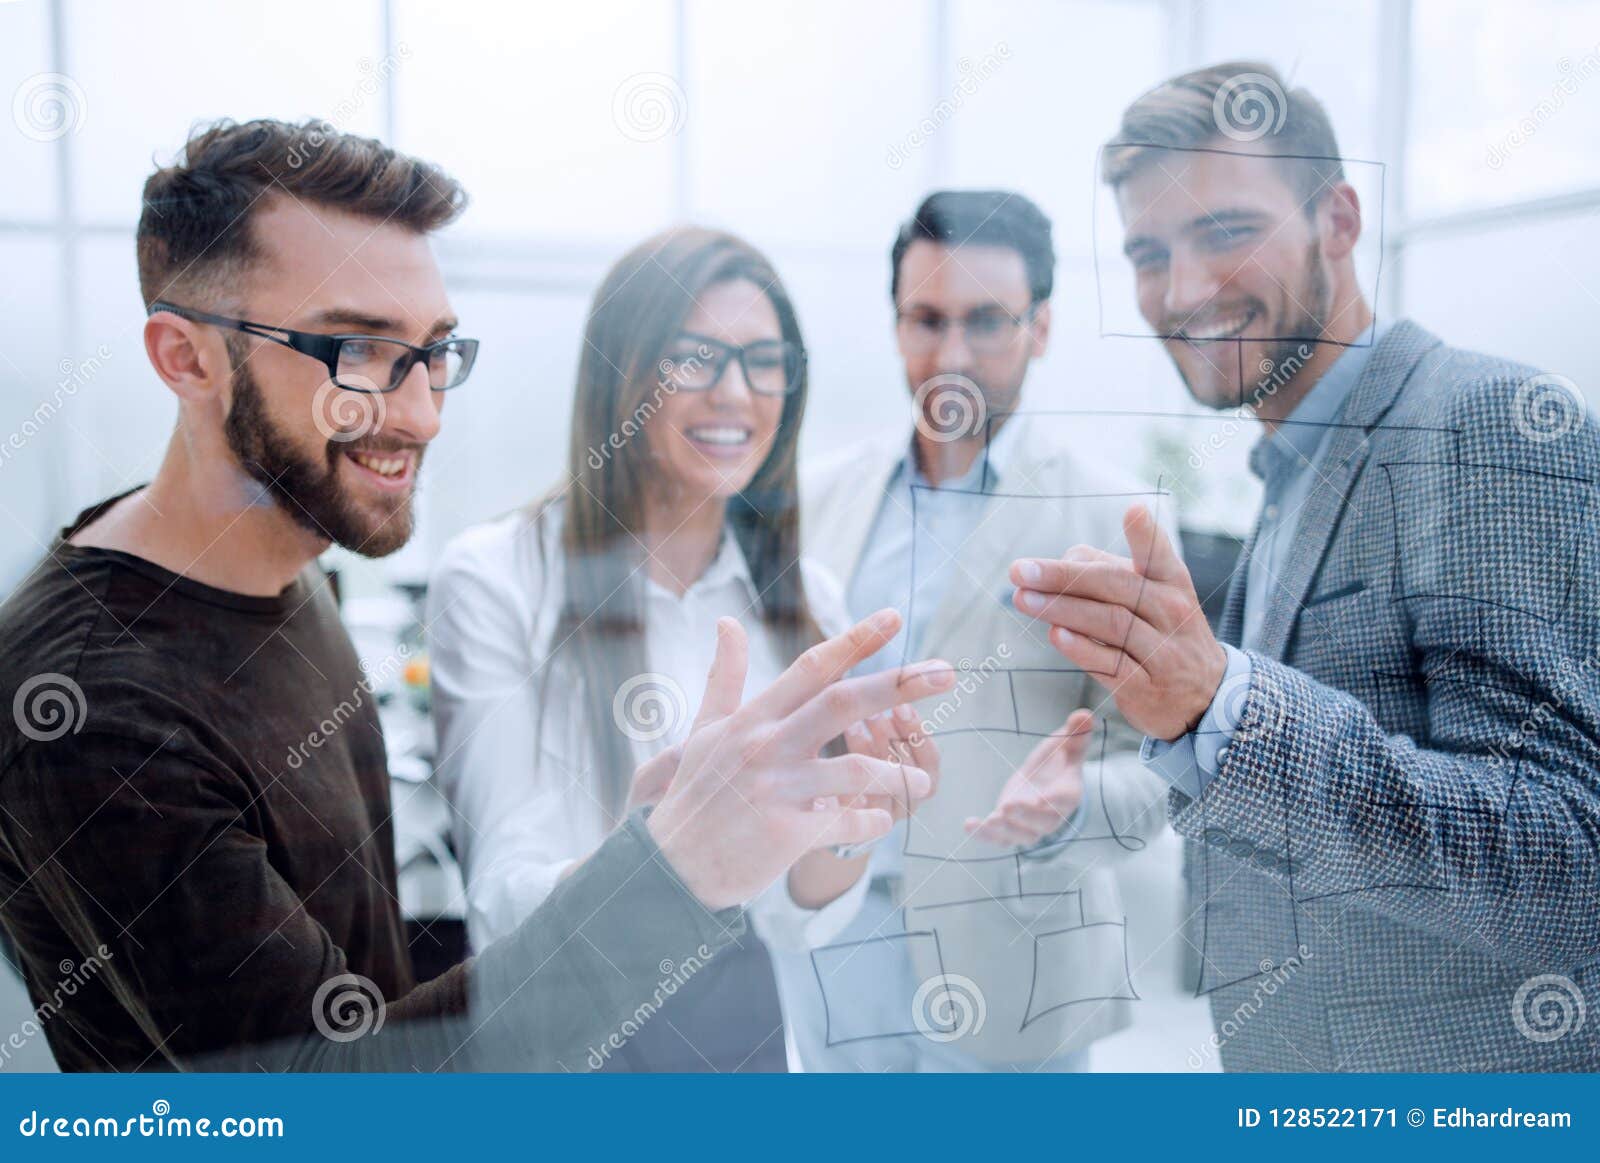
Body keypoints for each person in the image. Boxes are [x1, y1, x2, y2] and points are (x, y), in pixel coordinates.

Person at [0, 119, 951, 1072]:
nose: (419, 413)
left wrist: (682, 844)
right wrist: (668, 867)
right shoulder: (96, 713)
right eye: (357, 351)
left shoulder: (282, 564)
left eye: (434, 352)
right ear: (187, 358)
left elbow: (350, 991)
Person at [1012, 61, 1600, 1070]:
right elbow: (1288, 794)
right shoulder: (1291, 472)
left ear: (1338, 217)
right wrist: (1089, 798)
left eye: (1226, 231)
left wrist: (1225, 700)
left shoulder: (1484, 427)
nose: (1183, 289)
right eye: (1148, 251)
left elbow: (1565, 864)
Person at [426, 227, 938, 1071]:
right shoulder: (496, 579)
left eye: (765, 361)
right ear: (619, 373)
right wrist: (665, 852)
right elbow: (501, 902)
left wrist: (851, 828)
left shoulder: (806, 600)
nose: (736, 393)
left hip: (742, 1048)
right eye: (696, 358)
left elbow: (788, 918)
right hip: (570, 1050)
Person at [796, 190, 1172, 1071]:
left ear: (1041, 328)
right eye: (925, 319)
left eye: (987, 322)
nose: (952, 355)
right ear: (894, 323)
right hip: (836, 939)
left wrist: (1075, 806)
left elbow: (1166, 768)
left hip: (1020, 956)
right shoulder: (819, 498)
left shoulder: (1115, 514)